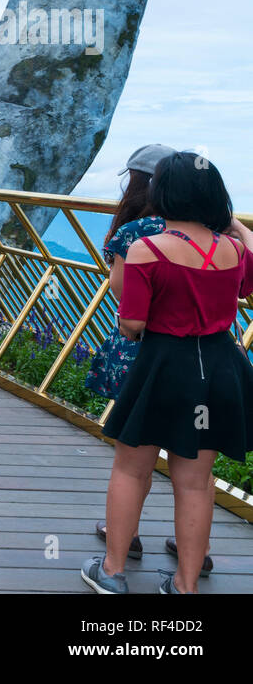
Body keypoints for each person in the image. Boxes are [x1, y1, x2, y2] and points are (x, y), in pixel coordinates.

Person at [82, 152, 253, 594]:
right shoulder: (232, 249)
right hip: (219, 367)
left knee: (131, 469)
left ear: (163, 194)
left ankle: (113, 572)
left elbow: (132, 324)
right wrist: (234, 224)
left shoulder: (146, 249)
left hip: (163, 364)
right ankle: (185, 585)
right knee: (196, 483)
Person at [87, 145, 202, 568]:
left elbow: (124, 298)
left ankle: (125, 540)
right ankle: (195, 551)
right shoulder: (209, 233)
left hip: (143, 354)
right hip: (201, 360)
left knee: (134, 460)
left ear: (137, 183)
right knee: (192, 467)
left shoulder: (134, 234)